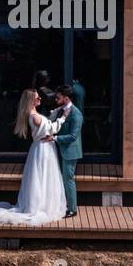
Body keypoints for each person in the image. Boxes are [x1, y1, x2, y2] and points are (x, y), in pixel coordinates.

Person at [0, 89, 68, 225]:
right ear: (31, 101)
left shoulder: (34, 114)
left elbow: (46, 124)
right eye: (37, 98)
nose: (40, 99)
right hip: (43, 149)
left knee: (43, 177)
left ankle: (44, 203)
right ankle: (40, 205)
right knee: (43, 177)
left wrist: (53, 115)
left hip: (42, 148)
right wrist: (63, 117)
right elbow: (51, 129)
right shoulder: (34, 116)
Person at [52, 84, 84, 218]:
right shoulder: (60, 110)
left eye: (58, 97)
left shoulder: (76, 114)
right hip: (58, 149)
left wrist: (54, 138)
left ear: (66, 98)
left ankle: (72, 209)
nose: (55, 99)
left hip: (70, 152)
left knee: (68, 179)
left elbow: (72, 136)